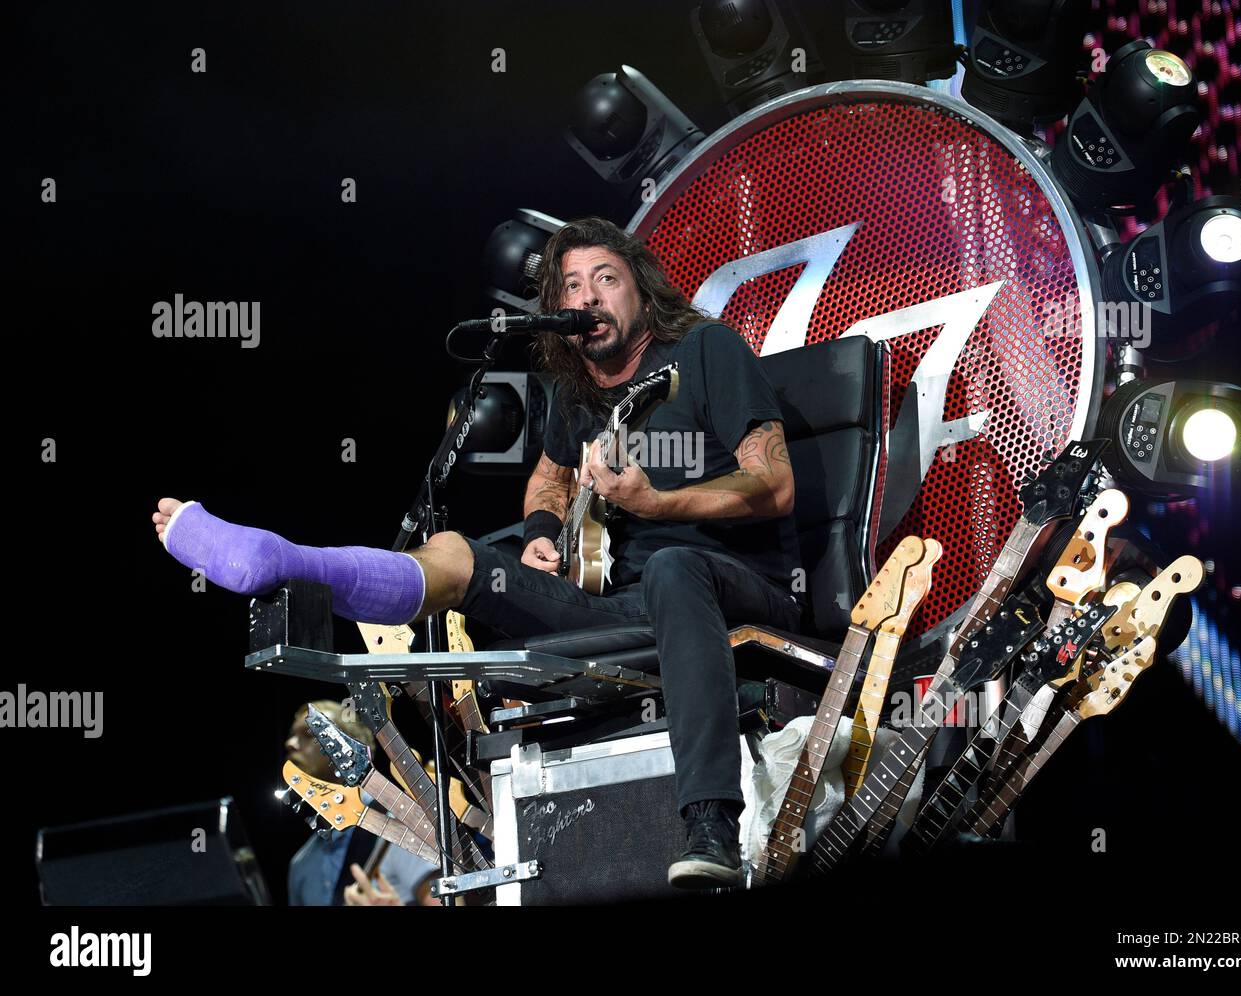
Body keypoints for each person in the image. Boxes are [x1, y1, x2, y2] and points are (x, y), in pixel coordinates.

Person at [152, 216, 803, 888]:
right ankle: (292, 564)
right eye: (572, 285)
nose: (589, 298)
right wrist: (542, 535)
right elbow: (548, 478)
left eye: (605, 279)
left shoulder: (706, 350)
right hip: (636, 609)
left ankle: (712, 826)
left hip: (744, 590)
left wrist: (657, 503)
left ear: (641, 288)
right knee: (462, 553)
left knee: (673, 565)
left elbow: (774, 483)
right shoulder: (577, 392)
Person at [284, 700, 379, 905]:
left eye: (308, 735)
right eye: (292, 736)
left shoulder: (404, 827)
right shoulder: (300, 867)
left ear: (347, 746)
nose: (290, 743)